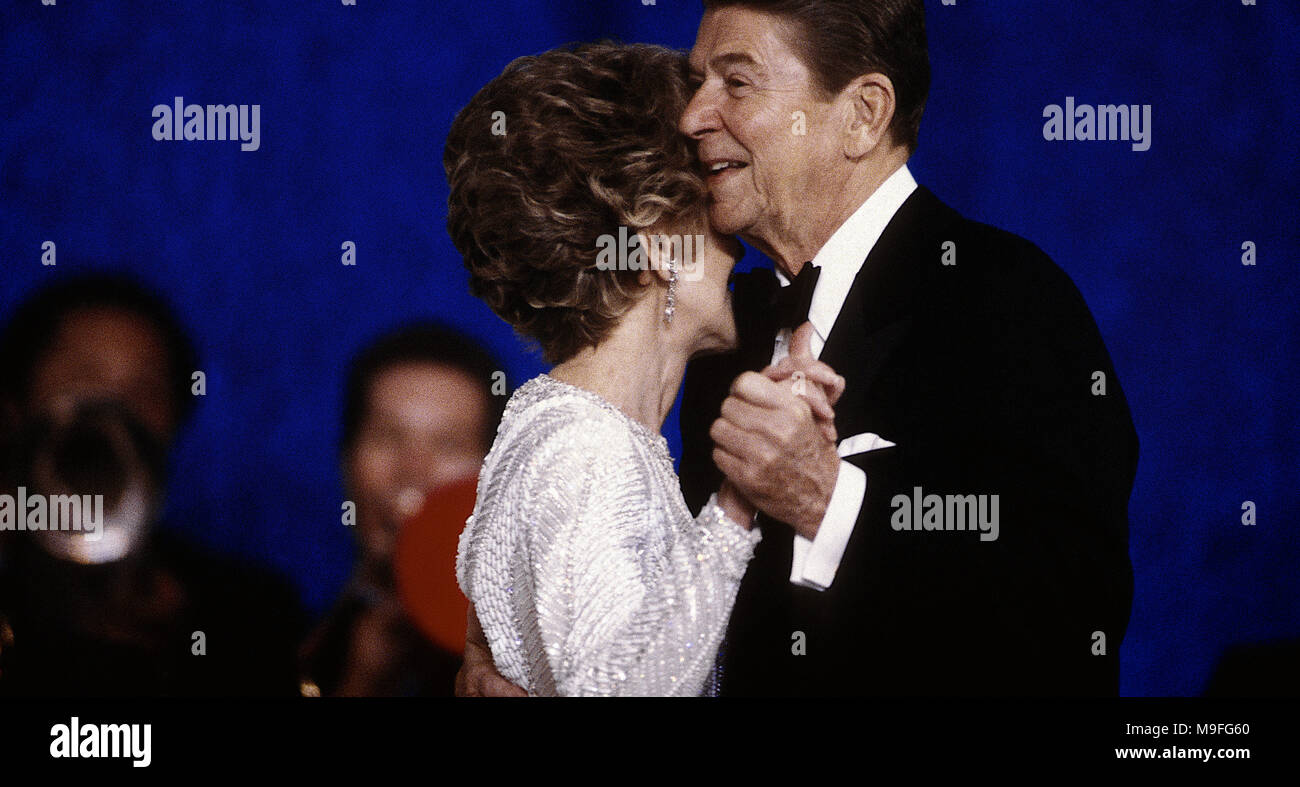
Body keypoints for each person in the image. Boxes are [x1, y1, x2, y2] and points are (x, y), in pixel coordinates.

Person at [459, 0, 1139, 697]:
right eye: (694, 81)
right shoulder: (722, 338)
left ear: (862, 115)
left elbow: (1075, 624)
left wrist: (830, 500)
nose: (691, 117)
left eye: (736, 84)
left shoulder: (1007, 299)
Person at [443, 41, 843, 696]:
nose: (734, 238)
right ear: (657, 239)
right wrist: (740, 501)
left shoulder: (570, 431)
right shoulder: (586, 449)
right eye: (707, 197)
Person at [0, 272, 305, 696]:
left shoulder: (246, 608)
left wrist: (169, 661)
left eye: (144, 390)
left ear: (175, 425)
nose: (111, 409)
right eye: (84, 377)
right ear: (13, 406)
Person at [298, 321, 505, 696]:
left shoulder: (542, 652)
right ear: (347, 459)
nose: (413, 471)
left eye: (449, 444)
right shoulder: (264, 630)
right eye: (388, 436)